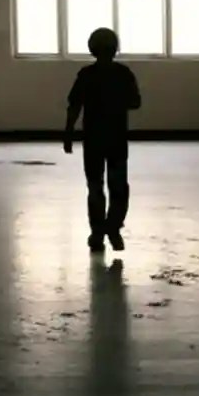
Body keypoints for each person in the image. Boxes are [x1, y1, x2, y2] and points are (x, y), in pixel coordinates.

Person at [64, 27, 142, 253]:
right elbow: (136, 102)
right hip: (117, 138)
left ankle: (97, 232)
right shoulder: (123, 74)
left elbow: (74, 106)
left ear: (92, 49)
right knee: (118, 186)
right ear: (115, 49)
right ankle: (114, 228)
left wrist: (68, 134)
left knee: (95, 186)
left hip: (93, 140)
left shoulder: (86, 75)